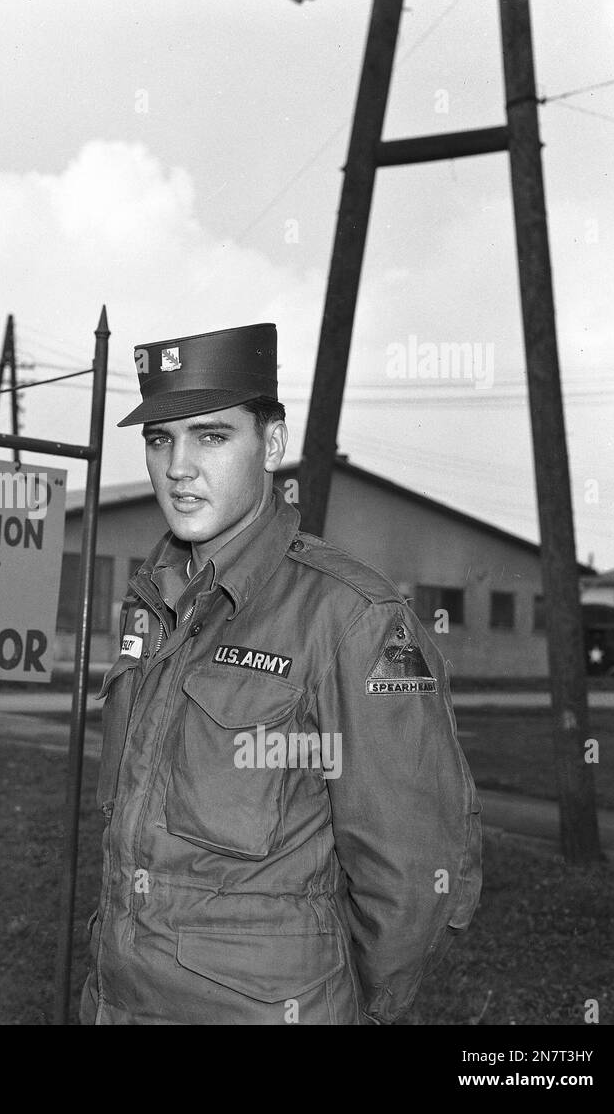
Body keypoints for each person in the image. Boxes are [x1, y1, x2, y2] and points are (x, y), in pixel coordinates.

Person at [80, 322, 481, 1025]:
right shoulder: (156, 600)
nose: (178, 467)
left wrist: (361, 1007)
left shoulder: (352, 617)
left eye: (211, 437)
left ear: (270, 445)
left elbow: (413, 869)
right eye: (159, 440)